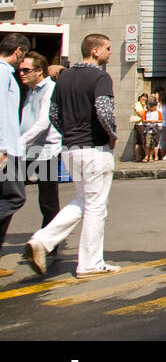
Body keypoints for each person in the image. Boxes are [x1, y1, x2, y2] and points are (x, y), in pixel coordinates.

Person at [24, 33, 119, 278]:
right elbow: (103, 109)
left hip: (70, 148)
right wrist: (111, 135)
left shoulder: (64, 79)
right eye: (107, 48)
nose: (110, 52)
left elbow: (54, 114)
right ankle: (89, 262)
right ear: (95, 51)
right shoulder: (100, 76)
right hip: (94, 148)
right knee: (96, 206)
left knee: (83, 200)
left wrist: (68, 133)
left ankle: (42, 240)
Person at [18, 52, 61, 231]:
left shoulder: (50, 89)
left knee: (47, 201)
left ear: (39, 71)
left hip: (46, 151)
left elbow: (43, 122)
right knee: (9, 192)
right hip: (27, 149)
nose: (21, 73)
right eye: (20, 70)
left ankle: (49, 245)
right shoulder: (30, 90)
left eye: (26, 70)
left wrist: (18, 143)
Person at [0, 33, 30, 276]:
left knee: (10, 197)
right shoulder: (2, 74)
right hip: (6, 150)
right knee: (14, 197)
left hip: (10, 147)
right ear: (18, 51)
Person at [141, 96, 164, 163]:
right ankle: (146, 155)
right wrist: (148, 121)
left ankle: (151, 156)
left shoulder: (158, 112)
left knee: (153, 143)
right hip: (148, 129)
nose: (155, 107)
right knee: (147, 143)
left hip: (155, 129)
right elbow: (143, 120)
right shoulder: (146, 112)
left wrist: (155, 121)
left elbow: (160, 120)